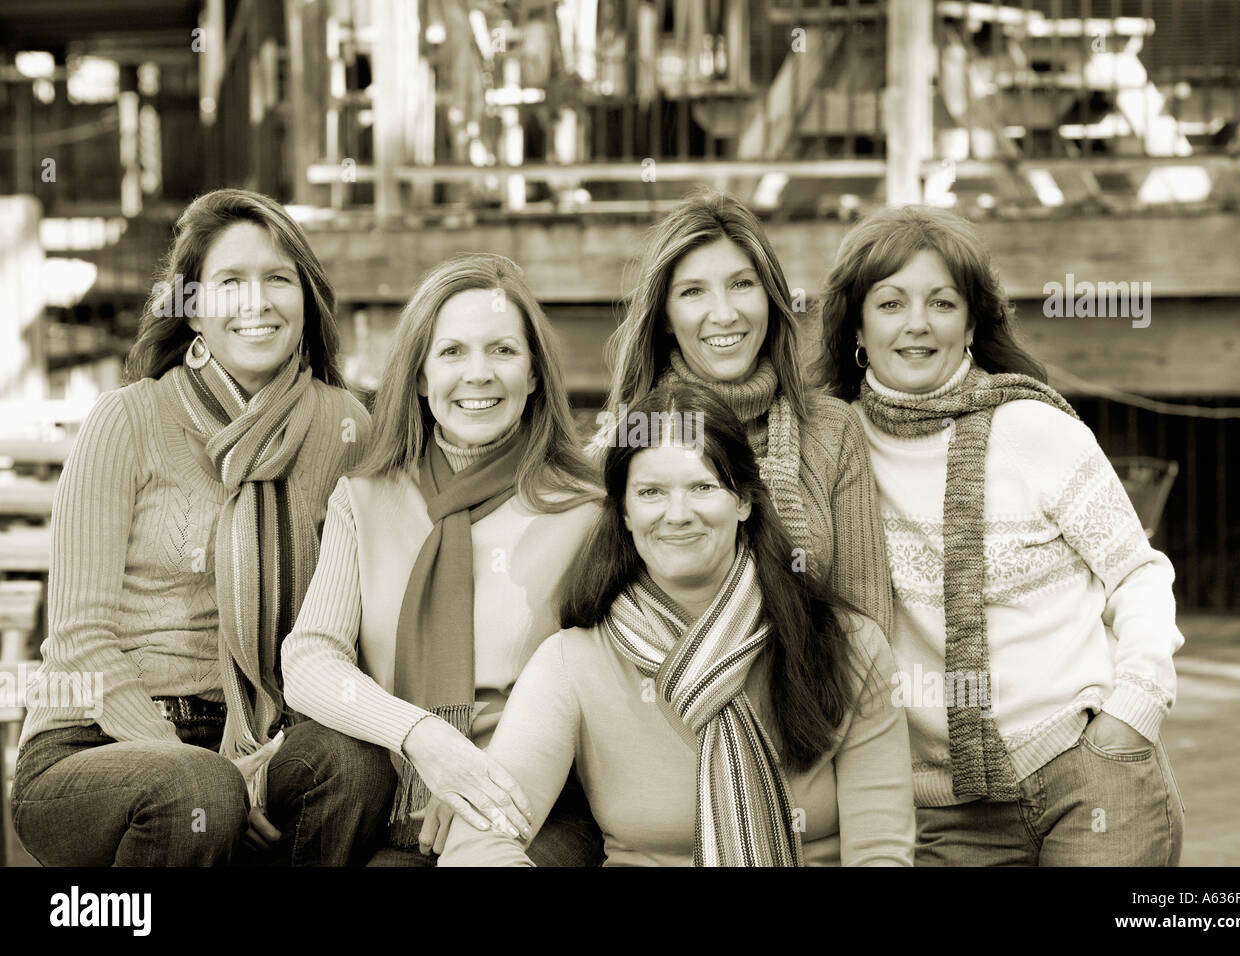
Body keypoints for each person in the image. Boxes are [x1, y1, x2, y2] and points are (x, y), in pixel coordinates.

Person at [816, 204, 1185, 866]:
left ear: (971, 323)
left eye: (942, 303)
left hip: (1086, 768)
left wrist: (1135, 707)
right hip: (940, 806)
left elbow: (1138, 572)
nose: (917, 324)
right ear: (858, 327)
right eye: (891, 303)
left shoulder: (1034, 430)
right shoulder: (833, 448)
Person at [11, 188, 370, 865]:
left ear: (306, 299)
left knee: (350, 768)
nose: (257, 302)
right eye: (230, 281)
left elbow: (367, 614)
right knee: (196, 789)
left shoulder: (345, 427)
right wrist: (206, 768)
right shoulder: (128, 419)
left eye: (278, 279)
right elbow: (81, 640)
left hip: (267, 735)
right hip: (92, 741)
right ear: (193, 308)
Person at [439, 384, 915, 866]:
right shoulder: (574, 662)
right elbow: (478, 842)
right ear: (624, 512)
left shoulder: (848, 644)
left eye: (702, 487)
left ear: (744, 501)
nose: (678, 515)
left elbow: (880, 851)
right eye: (650, 493)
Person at [279, 253, 606, 866]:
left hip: (531, 808)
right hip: (397, 798)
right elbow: (308, 661)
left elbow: (607, 694)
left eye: (502, 351)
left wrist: (485, 781)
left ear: (535, 374)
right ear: (422, 376)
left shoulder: (585, 511)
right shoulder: (364, 497)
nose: (477, 374)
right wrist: (424, 738)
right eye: (453, 352)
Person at [598, 190, 891, 634]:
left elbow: (867, 630)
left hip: (814, 696)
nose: (724, 313)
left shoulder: (833, 430)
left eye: (742, 284)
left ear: (771, 299)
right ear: (664, 317)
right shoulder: (630, 437)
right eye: (693, 291)